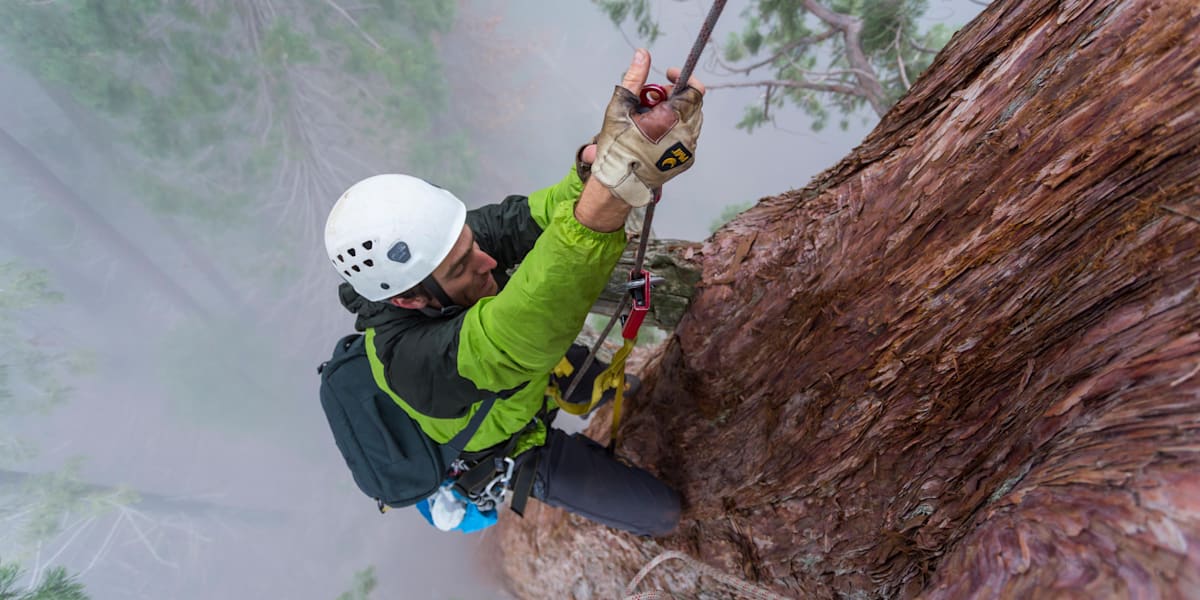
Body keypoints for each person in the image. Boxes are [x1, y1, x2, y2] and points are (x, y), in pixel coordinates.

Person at [323, 49, 704, 537]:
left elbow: (531, 217)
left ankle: (604, 398)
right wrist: (618, 185)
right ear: (408, 300)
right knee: (663, 513)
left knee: (638, 396)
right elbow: (519, 327)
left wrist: (598, 164)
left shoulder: (440, 251)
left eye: (470, 243)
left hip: (531, 381)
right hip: (509, 441)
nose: (485, 259)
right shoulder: (412, 365)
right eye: (465, 266)